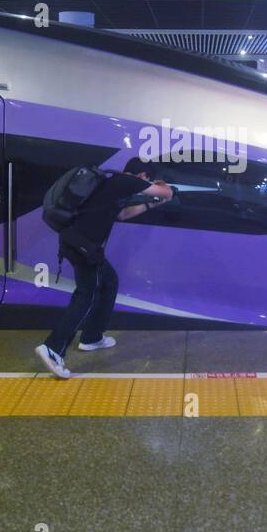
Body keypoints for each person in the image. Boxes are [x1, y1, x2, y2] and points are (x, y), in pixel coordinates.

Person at [34, 157, 173, 378]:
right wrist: (164, 189)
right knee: (85, 296)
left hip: (78, 242)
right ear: (143, 176)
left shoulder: (111, 183)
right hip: (84, 246)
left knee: (109, 282)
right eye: (147, 179)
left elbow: (123, 214)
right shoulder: (128, 182)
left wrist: (150, 204)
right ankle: (53, 349)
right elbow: (166, 193)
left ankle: (92, 337)